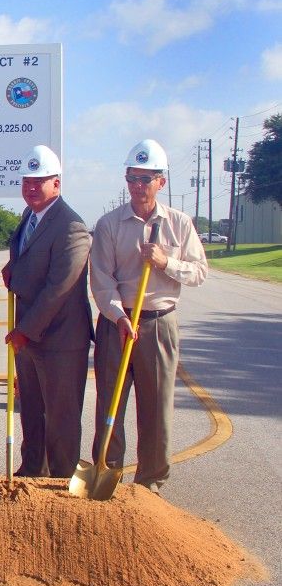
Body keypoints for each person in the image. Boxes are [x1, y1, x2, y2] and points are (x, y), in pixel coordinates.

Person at [89, 139, 207, 493]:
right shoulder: (109, 224)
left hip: (158, 323)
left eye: (146, 179)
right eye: (132, 178)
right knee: (109, 405)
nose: (138, 186)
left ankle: (151, 482)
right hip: (117, 323)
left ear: (161, 182)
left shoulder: (179, 224)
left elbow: (199, 272)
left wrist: (165, 262)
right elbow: (101, 279)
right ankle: (106, 476)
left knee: (156, 409)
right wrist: (117, 316)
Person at [1, 146, 92, 477]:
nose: (31, 188)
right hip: (29, 337)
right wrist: (12, 267)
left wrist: (25, 331)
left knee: (61, 418)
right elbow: (27, 257)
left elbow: (59, 288)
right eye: (27, 181)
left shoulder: (71, 226)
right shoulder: (30, 216)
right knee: (32, 410)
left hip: (60, 339)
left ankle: (62, 481)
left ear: (56, 183)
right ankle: (32, 472)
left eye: (39, 182)